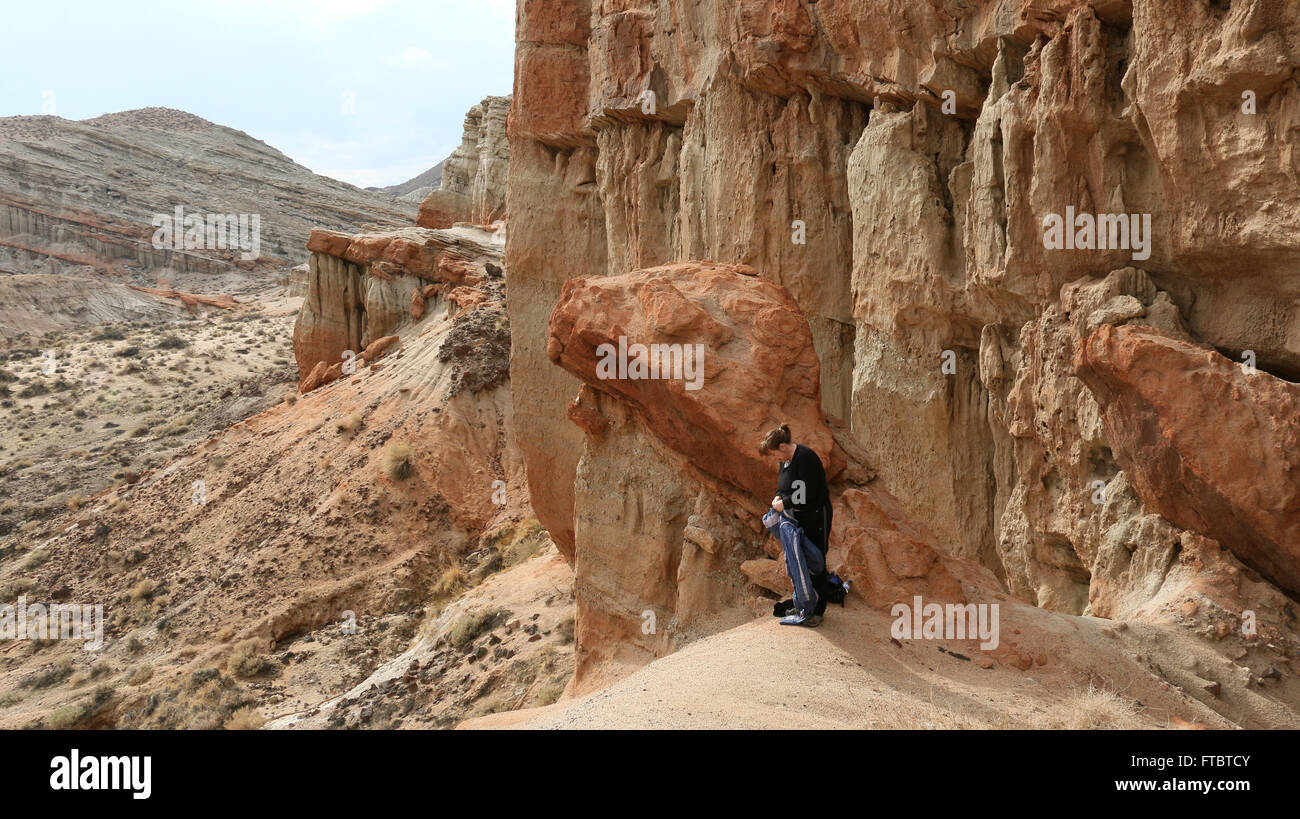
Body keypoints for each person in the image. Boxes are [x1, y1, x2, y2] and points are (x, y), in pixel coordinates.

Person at [758, 423, 835, 627]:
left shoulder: (805, 458)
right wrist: (777, 499)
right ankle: (804, 602)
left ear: (783, 446)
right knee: (799, 558)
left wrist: (785, 503)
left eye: (775, 454)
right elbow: (783, 487)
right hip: (798, 517)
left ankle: (817, 611)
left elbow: (807, 492)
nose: (775, 459)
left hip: (817, 517)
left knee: (815, 560)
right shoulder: (786, 462)